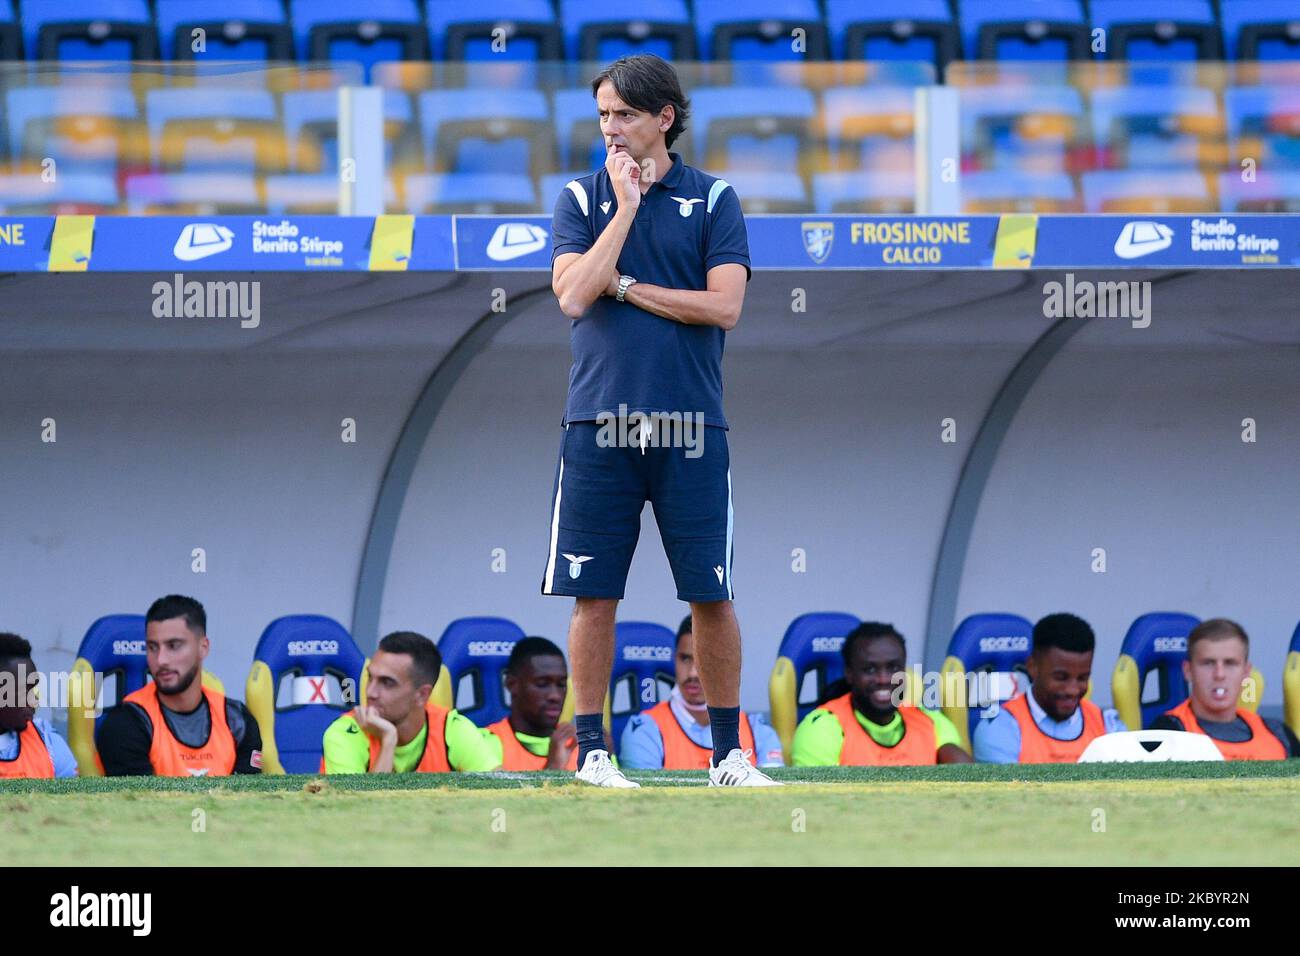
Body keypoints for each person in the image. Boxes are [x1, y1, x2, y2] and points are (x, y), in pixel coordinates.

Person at [543, 53, 771, 788]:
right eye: (603, 115)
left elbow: (723, 306)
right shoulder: (581, 196)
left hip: (692, 427)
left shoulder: (714, 200)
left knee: (710, 591)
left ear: (664, 118)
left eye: (624, 115)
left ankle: (728, 755)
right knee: (594, 593)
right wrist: (628, 210)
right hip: (599, 426)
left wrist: (631, 285)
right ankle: (594, 753)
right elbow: (575, 295)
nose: (611, 129)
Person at [96, 595, 261, 776]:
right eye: (152, 647)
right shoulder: (125, 724)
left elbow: (246, 801)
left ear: (203, 647)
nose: (161, 660)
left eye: (173, 646)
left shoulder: (238, 720)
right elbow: (139, 803)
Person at [793, 623, 971, 766]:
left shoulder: (932, 722)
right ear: (849, 673)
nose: (883, 679)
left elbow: (970, 786)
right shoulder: (820, 730)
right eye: (870, 669)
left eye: (894, 668)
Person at [321, 631, 499, 773]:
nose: (370, 692)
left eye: (387, 683)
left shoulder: (452, 729)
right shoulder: (345, 733)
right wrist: (388, 740)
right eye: (370, 677)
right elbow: (358, 812)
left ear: (422, 695)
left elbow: (504, 795)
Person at [621, 614, 783, 771]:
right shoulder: (645, 729)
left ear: (726, 664)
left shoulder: (757, 729)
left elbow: (772, 795)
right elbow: (646, 797)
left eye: (704, 660)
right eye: (685, 658)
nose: (692, 673)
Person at [974, 613, 1126, 763]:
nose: (1072, 690)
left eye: (1082, 678)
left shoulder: (1109, 726)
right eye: (1061, 677)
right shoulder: (998, 728)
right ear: (1032, 667)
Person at [1151, 618, 1297, 759]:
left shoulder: (1279, 733)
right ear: (1188, 671)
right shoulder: (1165, 733)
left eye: (1230, 663)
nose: (1219, 674)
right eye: (1208, 663)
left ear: (1246, 672)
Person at [482, 637, 580, 771]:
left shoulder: (581, 744)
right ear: (512, 685)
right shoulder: (485, 743)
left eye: (561, 685)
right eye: (542, 684)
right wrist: (553, 769)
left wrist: (607, 759)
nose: (555, 696)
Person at [0, 632, 78, 778]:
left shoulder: (48, 741)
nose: (34, 699)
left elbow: (76, 799)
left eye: (34, 688)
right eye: (24, 689)